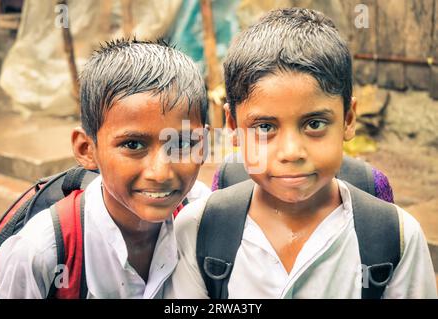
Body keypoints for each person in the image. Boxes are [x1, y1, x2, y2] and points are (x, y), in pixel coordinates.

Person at [165, 8, 437, 298]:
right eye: (265, 126)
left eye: (314, 124)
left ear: (348, 119)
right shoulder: (196, 231)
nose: (292, 152)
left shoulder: (396, 238)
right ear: (232, 127)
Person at [0, 38, 210, 298]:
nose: (161, 172)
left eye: (183, 143)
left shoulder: (206, 216)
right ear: (87, 149)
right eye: (133, 144)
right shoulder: (41, 253)